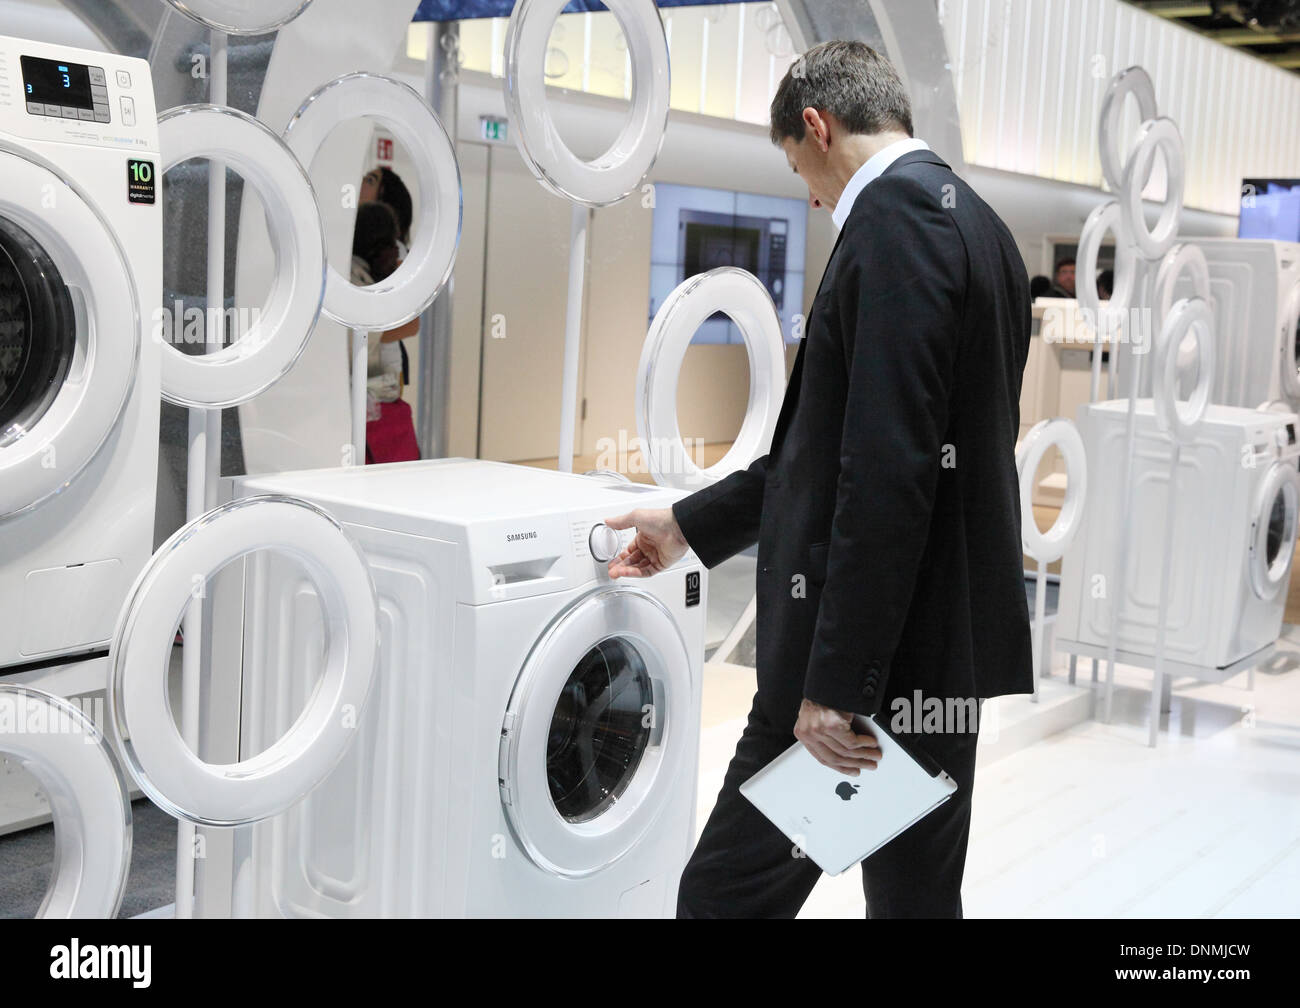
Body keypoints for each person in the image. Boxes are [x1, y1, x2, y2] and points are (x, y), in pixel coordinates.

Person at [603, 39, 1033, 918]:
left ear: (816, 125)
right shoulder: (984, 229)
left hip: (860, 677)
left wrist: (837, 687)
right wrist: (688, 525)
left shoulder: (896, 226)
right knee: (916, 904)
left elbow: (887, 475)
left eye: (804, 169)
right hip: (937, 665)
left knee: (722, 898)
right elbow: (841, 457)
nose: (812, 193)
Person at [351, 200, 420, 463]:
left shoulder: (362, 272)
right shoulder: (358, 273)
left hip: (378, 392)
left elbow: (410, 325)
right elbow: (409, 325)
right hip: (374, 395)